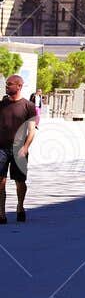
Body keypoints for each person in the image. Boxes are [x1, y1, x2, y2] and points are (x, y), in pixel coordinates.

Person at [0, 76, 38, 223]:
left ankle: (20, 206)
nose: (6, 86)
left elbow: (32, 130)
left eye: (9, 84)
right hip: (1, 148)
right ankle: (1, 213)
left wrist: (26, 147)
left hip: (19, 149)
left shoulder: (28, 106)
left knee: (19, 181)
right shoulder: (1, 104)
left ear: (19, 86)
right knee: (0, 180)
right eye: (6, 84)